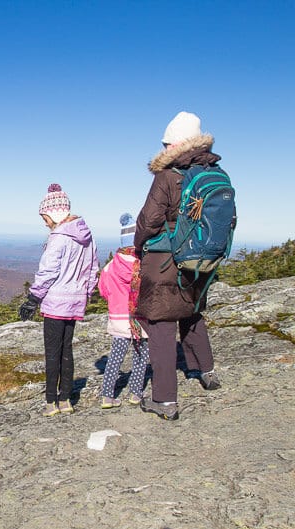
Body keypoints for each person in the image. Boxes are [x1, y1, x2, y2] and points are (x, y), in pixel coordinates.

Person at [134, 111, 223, 421]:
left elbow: (150, 220)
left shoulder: (169, 175)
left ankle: (164, 400)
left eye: (167, 142)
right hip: (201, 258)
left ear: (180, 143)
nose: (164, 147)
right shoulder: (213, 171)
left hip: (166, 260)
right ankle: (208, 373)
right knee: (192, 313)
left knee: (161, 323)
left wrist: (138, 246)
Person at [20, 184, 99, 417]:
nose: (44, 222)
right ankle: (66, 399)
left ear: (53, 214)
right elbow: (92, 269)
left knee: (52, 353)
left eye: (44, 217)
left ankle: (51, 403)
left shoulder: (58, 237)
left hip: (55, 302)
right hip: (75, 302)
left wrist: (33, 298)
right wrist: (86, 295)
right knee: (67, 351)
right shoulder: (87, 236)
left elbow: (48, 271)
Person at [97, 213, 149, 408]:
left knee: (115, 358)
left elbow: (104, 290)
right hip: (141, 318)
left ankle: (107, 396)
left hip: (118, 318)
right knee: (141, 357)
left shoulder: (111, 266)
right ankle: (136, 393)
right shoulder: (146, 265)